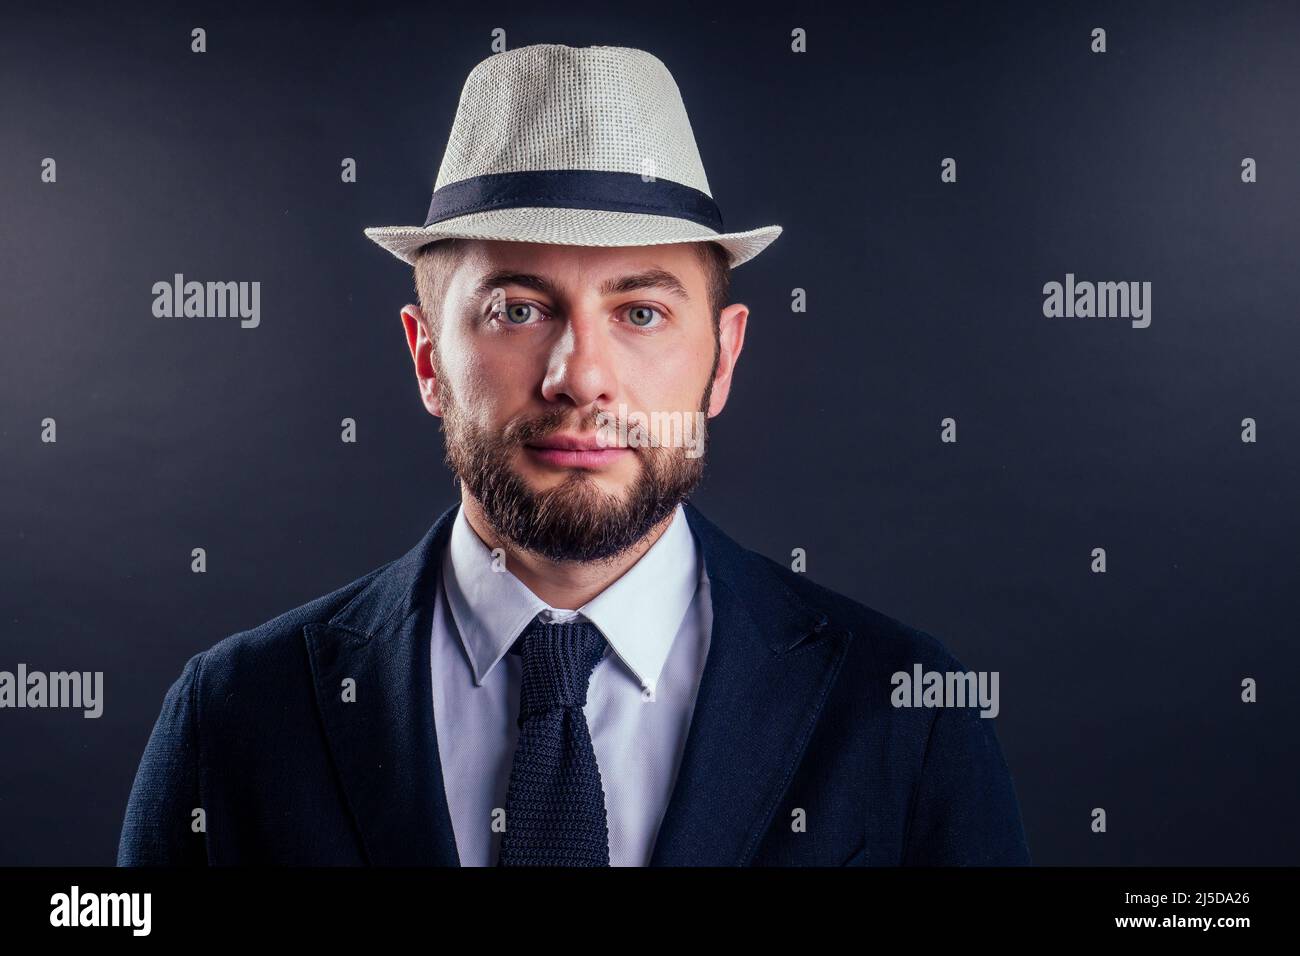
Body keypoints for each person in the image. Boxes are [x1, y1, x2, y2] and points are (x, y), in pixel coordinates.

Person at [117, 42, 1029, 867]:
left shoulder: (906, 709)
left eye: (641, 313)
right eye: (518, 308)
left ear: (724, 357)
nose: (579, 377)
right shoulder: (237, 714)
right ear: (429, 357)